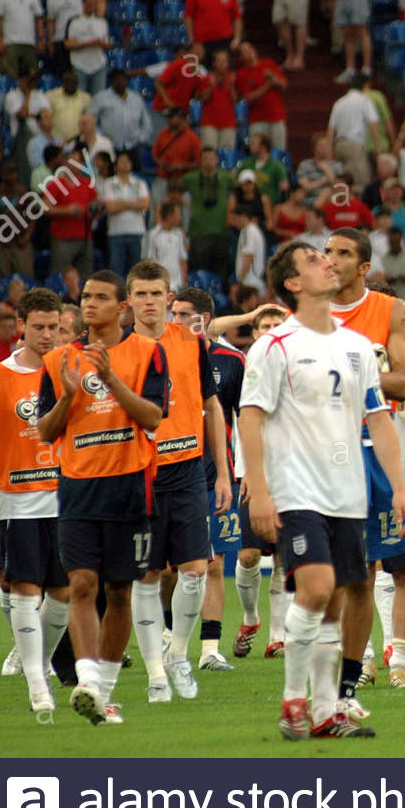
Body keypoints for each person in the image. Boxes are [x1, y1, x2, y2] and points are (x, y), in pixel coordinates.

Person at [240, 240, 405, 740]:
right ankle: (293, 699)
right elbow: (250, 417)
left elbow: (379, 420)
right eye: (316, 260)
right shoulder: (274, 346)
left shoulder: (356, 346)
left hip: (348, 492)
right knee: (316, 588)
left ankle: (325, 712)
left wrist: (399, 490)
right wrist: (259, 487)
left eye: (331, 256)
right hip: (297, 489)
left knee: (335, 601)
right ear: (293, 283)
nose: (328, 262)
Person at [37, 270, 169, 725]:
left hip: (129, 486)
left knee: (118, 591)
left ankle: (104, 693)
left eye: (100, 298)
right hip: (77, 486)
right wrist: (68, 398)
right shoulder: (58, 360)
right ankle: (88, 680)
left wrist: (112, 381)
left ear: (121, 308)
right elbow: (45, 430)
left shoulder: (149, 353)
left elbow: (153, 417)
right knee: (82, 585)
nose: (89, 305)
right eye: (86, 297)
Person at [125, 260, 231, 703]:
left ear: (169, 298)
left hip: (188, 469)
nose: (149, 302)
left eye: (156, 294)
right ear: (128, 300)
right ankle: (154, 674)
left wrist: (223, 471)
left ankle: (180, 656)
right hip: (138, 474)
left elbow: (211, 405)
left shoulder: (190, 343)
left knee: (195, 570)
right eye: (141, 294)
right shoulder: (116, 350)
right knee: (147, 576)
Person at [0, 290, 70, 714]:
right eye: (38, 327)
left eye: (53, 327)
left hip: (67, 500)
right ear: (21, 326)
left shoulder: (72, 372)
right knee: (26, 590)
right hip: (17, 499)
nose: (46, 335)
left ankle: (38, 662)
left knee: (63, 592)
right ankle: (37, 687)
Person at [325, 228, 405, 704]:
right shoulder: (304, 316)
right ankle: (316, 681)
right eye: (326, 252)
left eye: (343, 253)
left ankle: (344, 683)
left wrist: (349, 376)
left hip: (370, 449)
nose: (331, 260)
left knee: (362, 574)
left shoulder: (393, 312)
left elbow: (404, 380)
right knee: (319, 580)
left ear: (364, 267)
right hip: (316, 454)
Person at [170, 287, 244, 672]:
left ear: (204, 318)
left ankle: (210, 649)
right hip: (170, 471)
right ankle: (169, 639)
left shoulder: (232, 360)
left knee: (215, 565)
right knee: (172, 566)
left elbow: (243, 419)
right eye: (175, 314)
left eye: (185, 315)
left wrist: (236, 475)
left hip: (215, 473)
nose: (177, 321)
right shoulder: (161, 352)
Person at [230, 305, 291, 659]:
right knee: (250, 554)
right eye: (264, 325)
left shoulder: (296, 366)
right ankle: (251, 617)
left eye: (276, 324)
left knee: (284, 558)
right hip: (253, 474)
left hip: (289, 475)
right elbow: (244, 424)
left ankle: (278, 637)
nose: (270, 330)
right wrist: (246, 474)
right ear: (254, 333)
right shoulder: (245, 366)